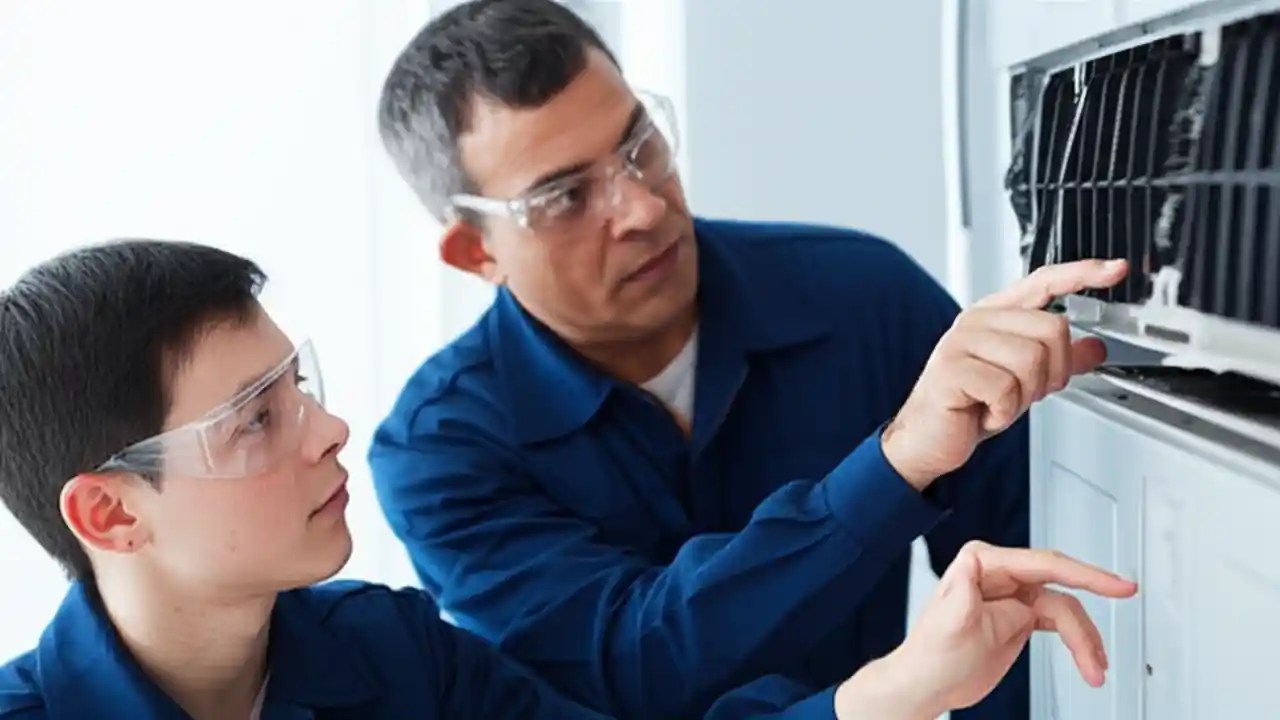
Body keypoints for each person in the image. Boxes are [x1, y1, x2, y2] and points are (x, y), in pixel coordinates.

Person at [369, 1, 1135, 719]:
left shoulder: (865, 296)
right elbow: (636, 660)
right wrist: (894, 464)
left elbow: (1037, 583)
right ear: (475, 252)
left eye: (640, 146)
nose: (642, 208)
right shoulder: (439, 451)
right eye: (566, 197)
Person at [0, 240, 1135, 720]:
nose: (328, 430)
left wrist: (890, 690)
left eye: (299, 387)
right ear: (110, 512)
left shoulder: (393, 657)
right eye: (255, 421)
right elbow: (638, 646)